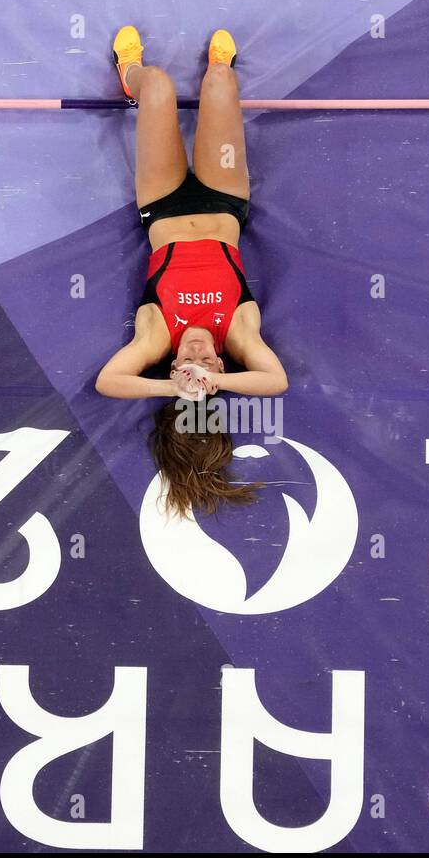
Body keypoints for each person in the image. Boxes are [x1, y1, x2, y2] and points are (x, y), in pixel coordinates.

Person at [95, 26, 287, 519]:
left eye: (188, 365)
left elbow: (109, 382)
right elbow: (276, 381)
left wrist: (173, 387)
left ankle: (128, 73)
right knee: (221, 80)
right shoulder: (238, 335)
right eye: (210, 365)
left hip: (160, 205)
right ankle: (219, 71)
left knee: (156, 85)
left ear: (175, 369)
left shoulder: (157, 337)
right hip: (225, 199)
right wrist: (209, 384)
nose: (199, 354)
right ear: (223, 368)